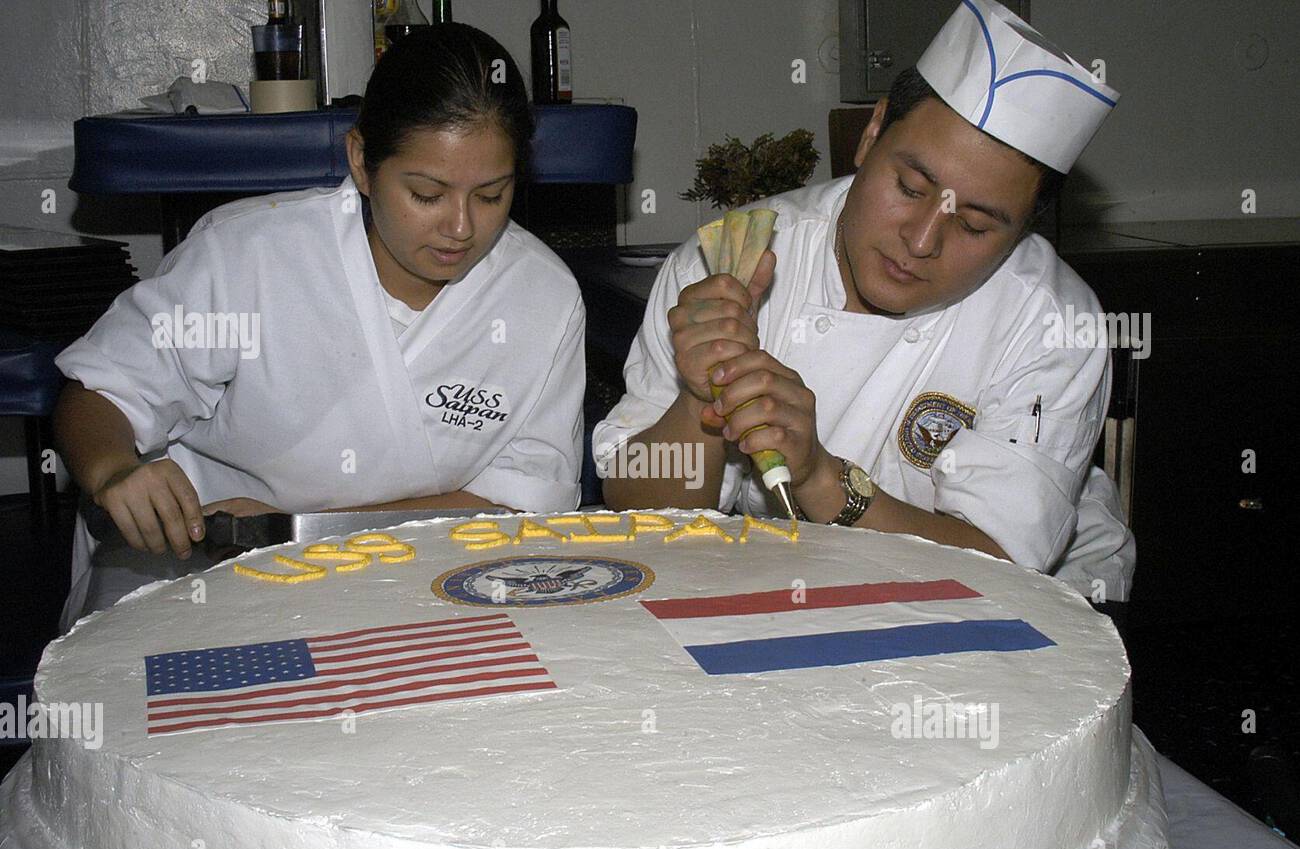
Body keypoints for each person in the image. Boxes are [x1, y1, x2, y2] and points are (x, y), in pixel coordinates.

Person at [597, 0, 1135, 603]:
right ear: (872, 133)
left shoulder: (1052, 323)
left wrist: (821, 478)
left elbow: (1002, 571)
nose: (922, 240)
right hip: (779, 590)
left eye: (977, 226)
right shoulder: (729, 260)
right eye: (909, 188)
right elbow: (637, 510)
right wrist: (699, 401)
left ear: (1024, 233)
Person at [54, 25, 586, 627]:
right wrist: (113, 469)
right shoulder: (251, 258)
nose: (460, 228)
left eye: (490, 196)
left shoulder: (543, 297)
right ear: (361, 161)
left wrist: (299, 533)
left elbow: (519, 507)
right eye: (427, 193)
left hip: (420, 574)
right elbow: (98, 394)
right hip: (198, 563)